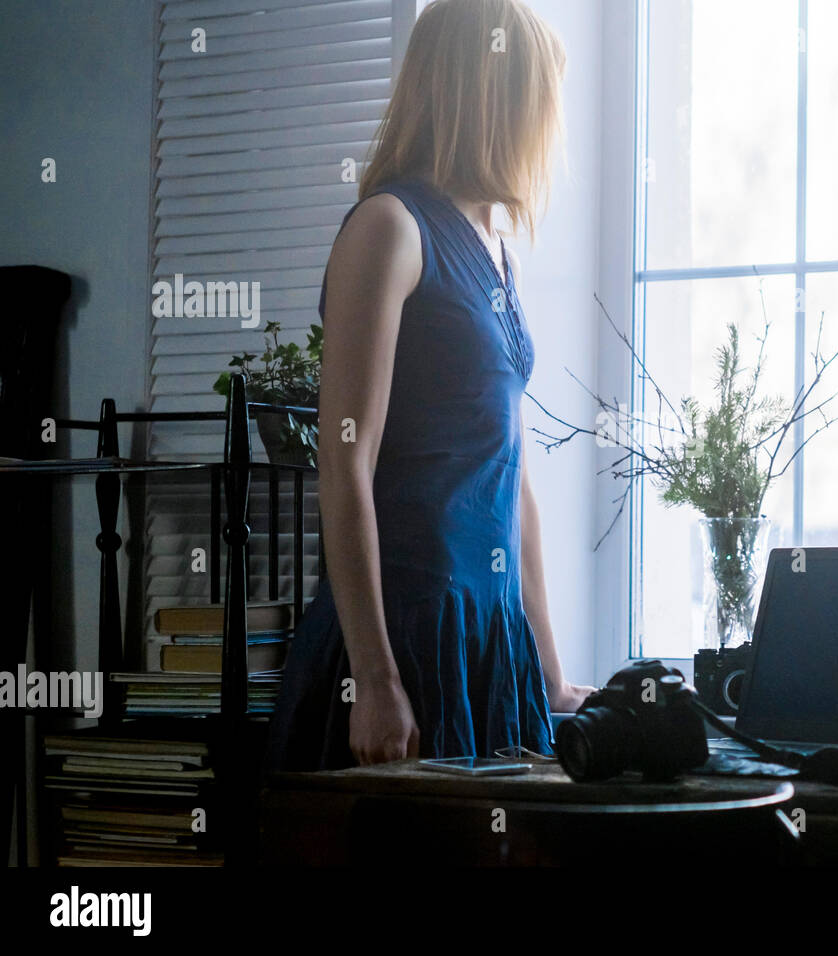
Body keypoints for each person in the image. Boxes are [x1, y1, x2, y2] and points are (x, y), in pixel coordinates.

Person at [266, 0, 595, 771]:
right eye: (540, 97)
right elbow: (344, 460)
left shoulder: (501, 249)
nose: (551, 124)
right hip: (405, 634)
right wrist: (376, 677)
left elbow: (510, 482)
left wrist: (547, 673)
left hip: (491, 641)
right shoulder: (390, 227)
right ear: (494, 95)